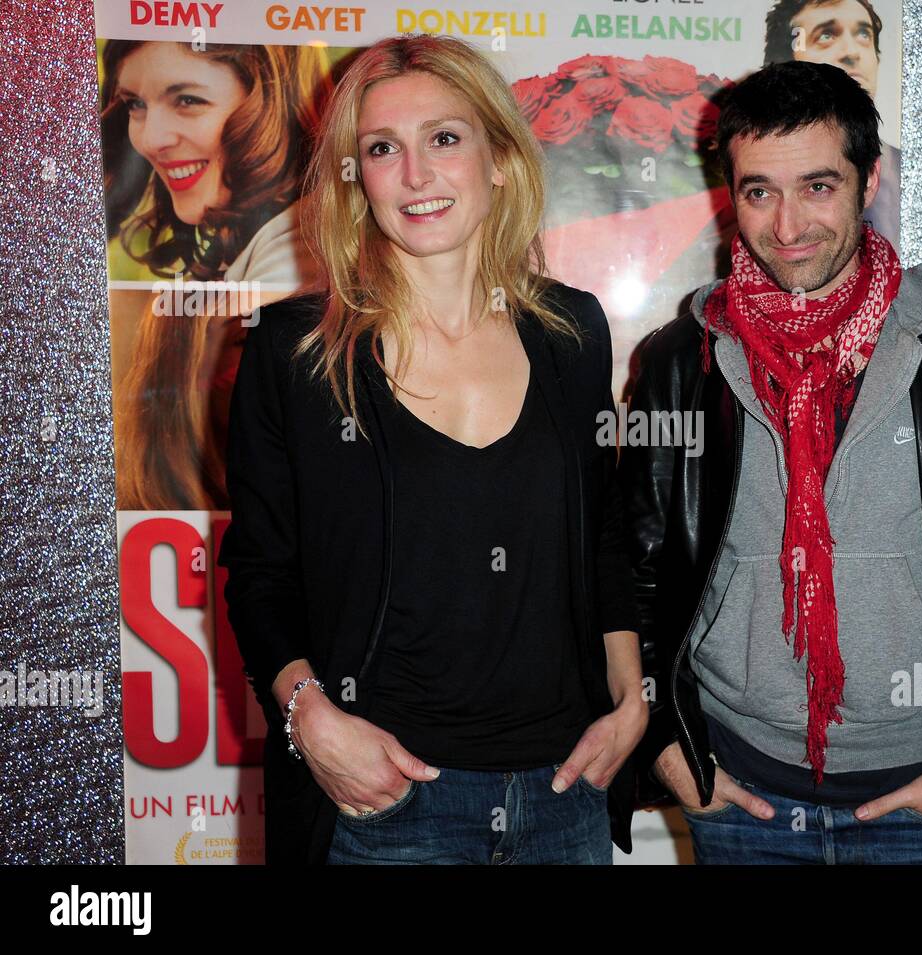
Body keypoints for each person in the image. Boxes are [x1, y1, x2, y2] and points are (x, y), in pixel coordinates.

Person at [622, 61, 922, 864]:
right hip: (742, 798)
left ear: (869, 182)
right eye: (759, 190)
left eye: (818, 186)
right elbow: (637, 565)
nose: (788, 224)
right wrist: (665, 743)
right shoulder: (680, 360)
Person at [216, 35, 646, 866]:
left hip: (564, 796)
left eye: (445, 138)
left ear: (499, 160)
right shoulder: (295, 353)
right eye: (383, 149)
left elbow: (604, 539)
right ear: (356, 179)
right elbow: (261, 571)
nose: (416, 174)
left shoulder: (572, 333)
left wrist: (631, 698)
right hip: (382, 806)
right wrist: (311, 718)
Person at [101, 41, 327, 509]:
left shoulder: (299, 254)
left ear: (266, 105)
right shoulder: (256, 250)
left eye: (188, 100)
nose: (151, 138)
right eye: (135, 105)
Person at [764, 0, 901, 249]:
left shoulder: (906, 169)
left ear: (871, 177)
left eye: (863, 34)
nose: (852, 52)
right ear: (784, 63)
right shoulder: (748, 167)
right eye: (826, 35)